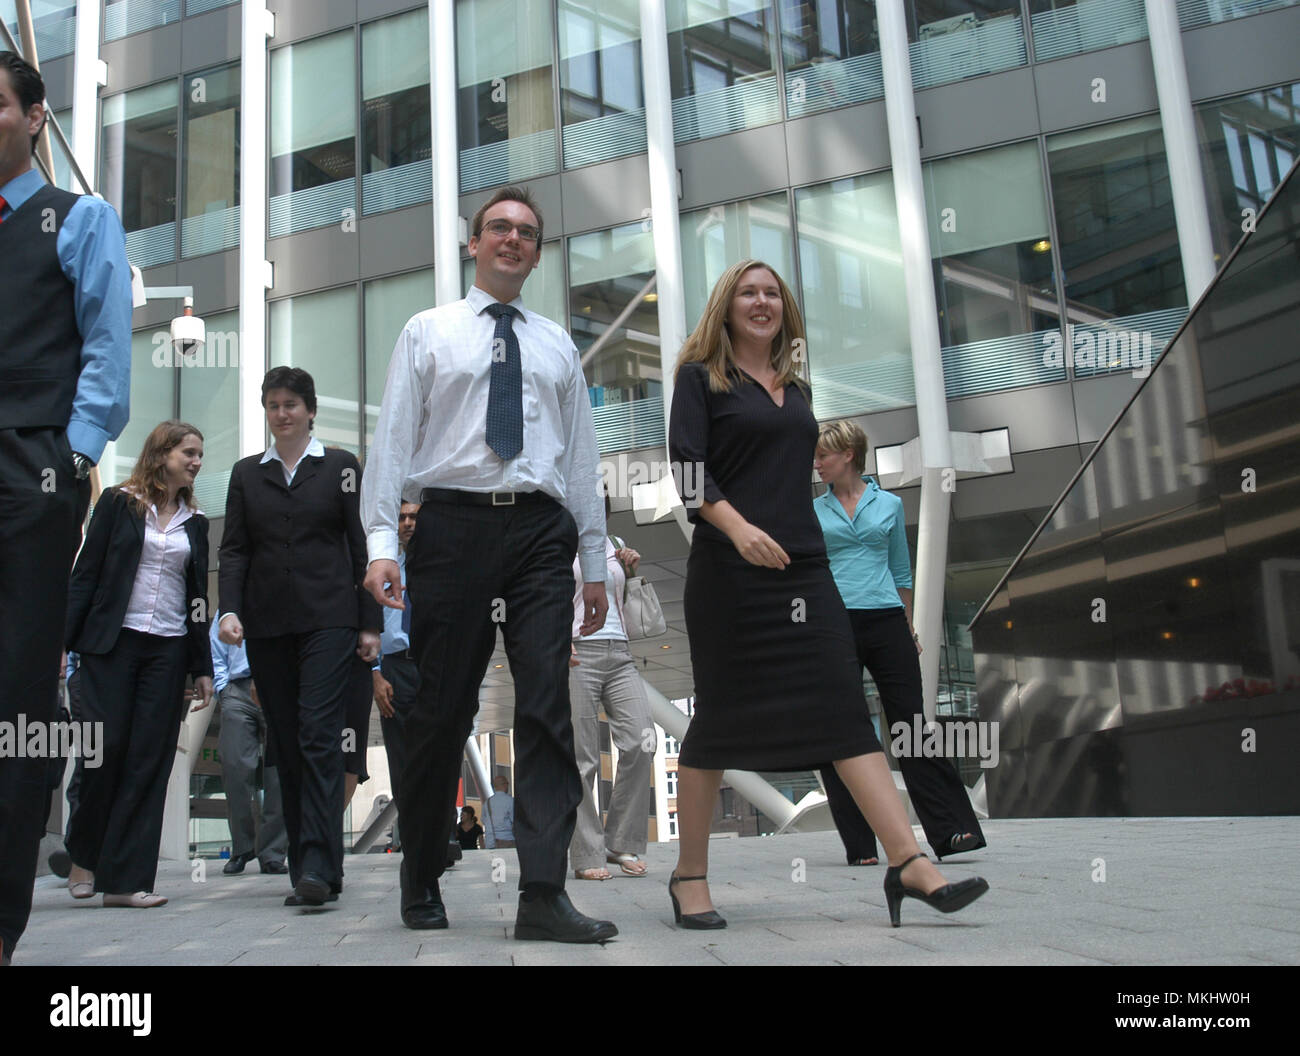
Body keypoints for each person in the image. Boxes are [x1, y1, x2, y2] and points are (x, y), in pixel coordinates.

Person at [666, 259, 988, 929]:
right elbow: (690, 475)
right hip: (730, 573)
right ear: (726, 307)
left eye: (772, 294)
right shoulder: (700, 379)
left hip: (808, 571)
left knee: (845, 710)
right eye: (748, 293)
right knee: (719, 719)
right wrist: (738, 529)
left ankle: (908, 862)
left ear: (785, 310)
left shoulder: (798, 389)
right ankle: (689, 876)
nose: (762, 302)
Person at [361, 185, 616, 942]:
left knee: (546, 705)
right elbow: (393, 445)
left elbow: (580, 464)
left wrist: (593, 564)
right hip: (452, 528)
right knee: (441, 709)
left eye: (527, 233)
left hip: (541, 534)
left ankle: (542, 891)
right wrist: (382, 545)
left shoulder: (557, 345)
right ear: (473, 245)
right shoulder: (428, 331)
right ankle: (421, 869)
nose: (512, 239)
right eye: (498, 228)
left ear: (537, 253)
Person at [0, 51, 132, 966]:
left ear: (36, 117)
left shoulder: (77, 219)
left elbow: (107, 355)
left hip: (28, 475)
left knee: (14, 703)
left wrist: (70, 455)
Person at [218, 367, 382, 909]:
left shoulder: (340, 467)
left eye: (291, 404)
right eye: (272, 405)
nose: (281, 413)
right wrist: (229, 611)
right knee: (285, 742)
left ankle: (314, 862)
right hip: (266, 625)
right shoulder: (245, 474)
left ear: (311, 410)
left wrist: (368, 623)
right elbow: (235, 550)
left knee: (317, 733)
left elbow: (358, 545)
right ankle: (313, 867)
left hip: (330, 621)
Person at [813, 420, 986, 864]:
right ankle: (860, 845)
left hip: (887, 621)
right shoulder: (812, 512)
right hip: (836, 628)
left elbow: (902, 573)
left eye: (823, 457)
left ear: (848, 454)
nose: (816, 465)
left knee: (911, 726)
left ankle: (953, 832)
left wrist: (909, 627)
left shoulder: (888, 505)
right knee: (840, 731)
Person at [63, 422, 215, 909]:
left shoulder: (197, 521)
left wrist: (202, 667)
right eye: (188, 453)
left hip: (167, 651)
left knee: (149, 761)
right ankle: (85, 855)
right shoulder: (116, 502)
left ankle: (127, 881)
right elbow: (86, 575)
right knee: (104, 751)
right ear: (162, 453)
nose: (196, 462)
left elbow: (197, 602)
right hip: (112, 644)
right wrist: (63, 644)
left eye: (199, 455)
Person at [568, 506, 654, 881]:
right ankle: (587, 852)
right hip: (576, 651)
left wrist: (630, 567)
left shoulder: (613, 544)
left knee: (642, 741)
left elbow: (622, 594)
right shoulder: (557, 546)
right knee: (582, 758)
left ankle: (620, 841)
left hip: (619, 650)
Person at [209, 614, 288, 876]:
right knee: (234, 766)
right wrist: (223, 689)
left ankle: (273, 853)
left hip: (277, 686)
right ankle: (242, 847)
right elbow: (216, 647)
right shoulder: (230, 606)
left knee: (279, 773)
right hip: (238, 691)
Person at [371, 500, 422, 853]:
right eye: (401, 518)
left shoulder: (443, 567)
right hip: (393, 668)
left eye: (413, 517)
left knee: (438, 750)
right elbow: (367, 626)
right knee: (402, 756)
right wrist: (374, 673)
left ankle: (439, 835)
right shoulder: (383, 572)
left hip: (433, 666)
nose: (407, 523)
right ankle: (414, 837)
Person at [482, 774, 516, 851]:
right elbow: (515, 821)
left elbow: (484, 820)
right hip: (507, 840)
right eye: (507, 783)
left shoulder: (487, 802)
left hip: (490, 841)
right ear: (505, 784)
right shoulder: (510, 801)